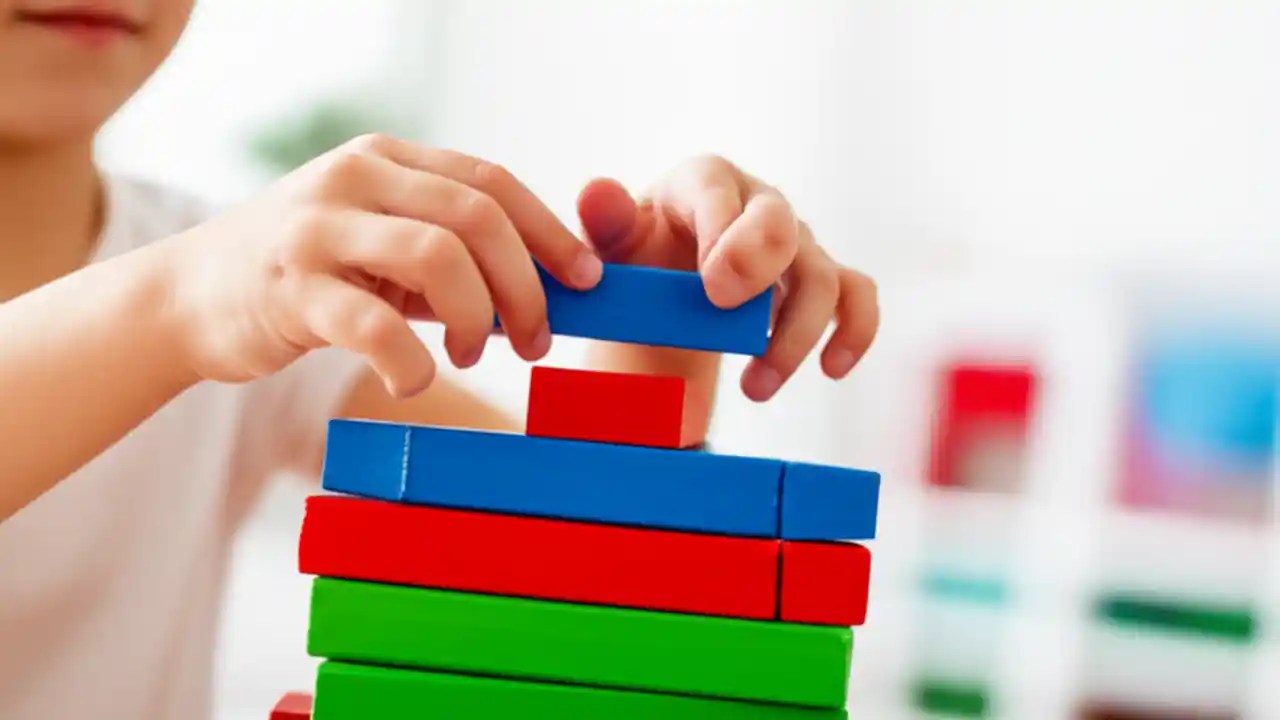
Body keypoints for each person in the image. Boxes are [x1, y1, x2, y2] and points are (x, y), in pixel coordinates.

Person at [0, 2, 879, 718]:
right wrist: (177, 303)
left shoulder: (250, 290)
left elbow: (576, 564)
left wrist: (667, 310)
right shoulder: (213, 285)